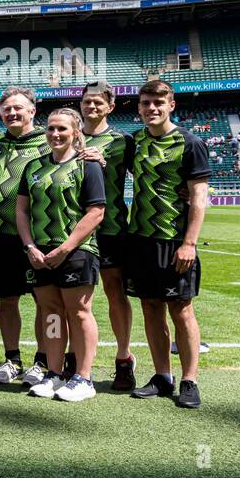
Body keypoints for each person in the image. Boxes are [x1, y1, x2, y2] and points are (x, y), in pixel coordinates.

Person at [124, 80, 210, 408]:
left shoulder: (190, 143)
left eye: (159, 102)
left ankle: (189, 380)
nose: (152, 108)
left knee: (182, 309)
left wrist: (189, 243)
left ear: (171, 105)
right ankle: (162, 376)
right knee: (150, 307)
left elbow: (199, 197)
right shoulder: (135, 141)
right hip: (141, 239)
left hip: (175, 241)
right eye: (146, 103)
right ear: (140, 107)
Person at [16, 108, 106, 401]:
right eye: (51, 128)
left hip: (77, 252)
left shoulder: (87, 165)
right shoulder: (33, 168)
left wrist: (65, 248)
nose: (56, 134)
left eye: (62, 129)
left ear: (76, 132)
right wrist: (30, 246)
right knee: (52, 314)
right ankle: (54, 373)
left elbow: (96, 212)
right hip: (39, 253)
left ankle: (83, 378)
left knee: (79, 312)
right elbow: (21, 210)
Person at [0, 87, 53, 385]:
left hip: (39, 238)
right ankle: (12, 359)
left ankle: (45, 360)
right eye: (7, 109)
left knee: (46, 303)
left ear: (32, 111)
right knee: (7, 300)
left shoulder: (50, 141)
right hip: (0, 237)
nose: (12, 113)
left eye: (18, 108)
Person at [78, 82, 137, 391]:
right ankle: (73, 359)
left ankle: (124, 359)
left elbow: (148, 174)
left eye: (98, 102)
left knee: (115, 293)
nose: (92, 106)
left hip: (111, 228)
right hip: (72, 231)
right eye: (87, 101)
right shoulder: (64, 136)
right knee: (73, 298)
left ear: (110, 106)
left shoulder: (122, 141)